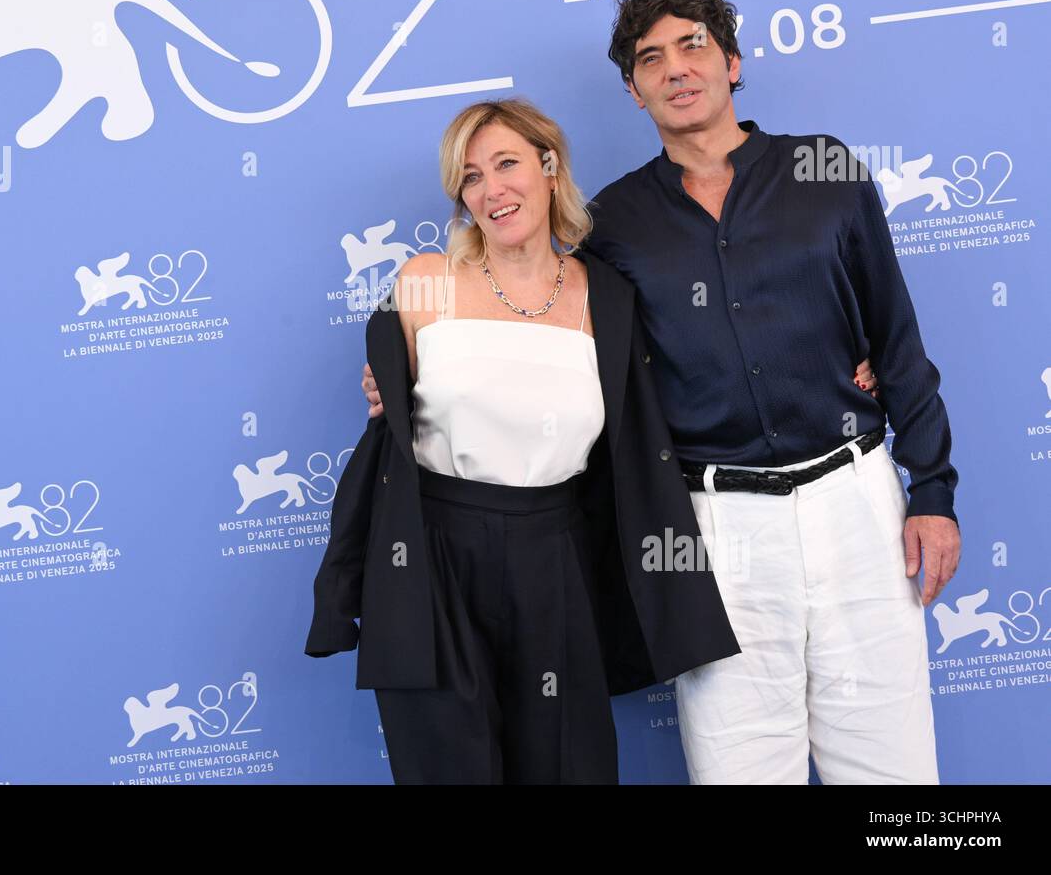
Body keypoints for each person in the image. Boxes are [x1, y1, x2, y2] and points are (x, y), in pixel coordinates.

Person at [579, 0, 960, 784]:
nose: (676, 68)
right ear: (632, 88)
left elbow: (895, 333)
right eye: (652, 58)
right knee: (740, 770)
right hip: (717, 532)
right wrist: (409, 363)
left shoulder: (824, 168)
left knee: (892, 767)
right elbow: (545, 330)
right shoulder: (609, 224)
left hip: (856, 505)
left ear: (733, 62)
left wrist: (931, 491)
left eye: (693, 46)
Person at [307, 99, 741, 785]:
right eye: (471, 177)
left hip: (557, 557)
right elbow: (387, 424)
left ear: (549, 165)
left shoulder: (608, 296)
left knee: (571, 768)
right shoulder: (425, 281)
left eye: (506, 163)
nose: (491, 189)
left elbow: (680, 387)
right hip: (433, 559)